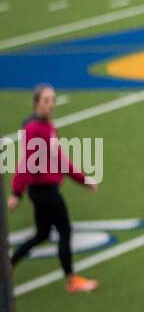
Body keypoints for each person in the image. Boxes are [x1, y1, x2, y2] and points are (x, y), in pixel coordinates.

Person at [8, 84, 100, 293]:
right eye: (46, 101)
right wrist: (16, 192)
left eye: (53, 100)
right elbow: (27, 161)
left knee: (42, 234)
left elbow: (59, 160)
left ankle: (6, 267)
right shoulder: (35, 129)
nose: (51, 105)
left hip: (43, 189)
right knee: (65, 230)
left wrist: (83, 179)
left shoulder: (47, 126)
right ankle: (71, 280)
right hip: (44, 191)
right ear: (36, 103)